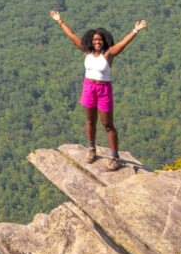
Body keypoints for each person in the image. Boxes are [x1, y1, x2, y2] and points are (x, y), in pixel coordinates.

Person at [50, 10, 147, 171]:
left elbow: (123, 43)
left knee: (108, 124)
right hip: (89, 87)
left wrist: (135, 30)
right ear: (91, 41)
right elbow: (72, 35)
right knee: (90, 121)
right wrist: (59, 20)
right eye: (95, 40)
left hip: (103, 89)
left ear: (104, 41)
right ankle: (91, 149)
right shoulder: (86, 52)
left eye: (100, 40)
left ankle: (115, 157)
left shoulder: (109, 54)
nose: (97, 42)